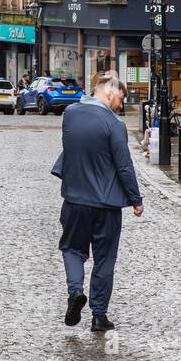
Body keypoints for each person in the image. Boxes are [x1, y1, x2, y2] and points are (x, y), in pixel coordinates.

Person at [51, 71, 143, 332]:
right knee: (104, 259)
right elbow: (124, 166)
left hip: (75, 200)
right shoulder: (114, 125)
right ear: (110, 92)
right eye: (120, 99)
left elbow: (72, 148)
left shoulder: (69, 114)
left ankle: (75, 291)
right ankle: (99, 316)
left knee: (72, 249)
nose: (121, 105)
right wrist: (136, 200)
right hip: (107, 204)